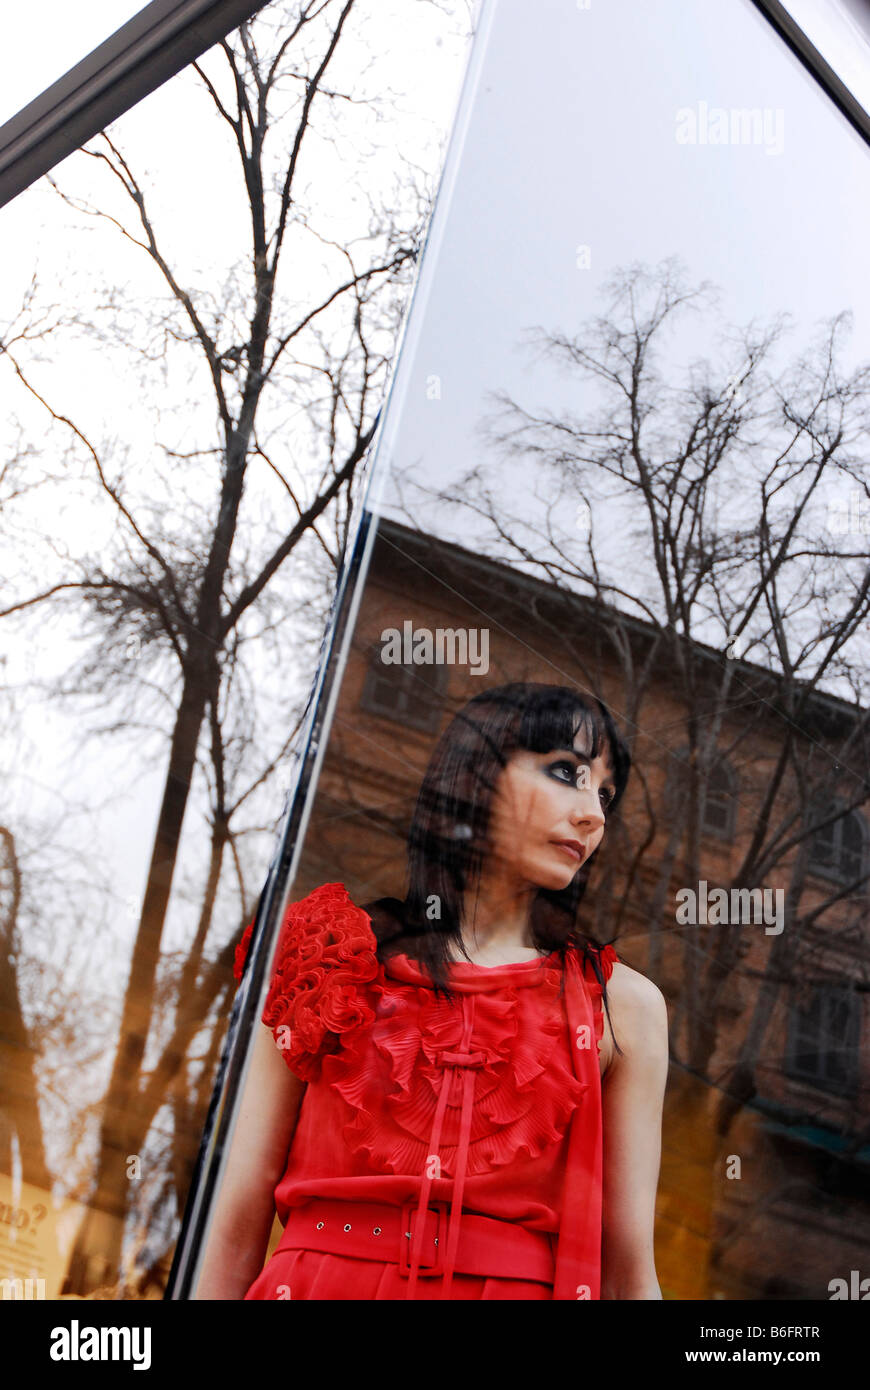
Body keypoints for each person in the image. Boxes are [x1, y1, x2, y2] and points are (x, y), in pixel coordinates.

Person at [195, 681, 669, 1300]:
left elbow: (629, 1271)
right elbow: (237, 1209)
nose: (594, 815)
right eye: (566, 773)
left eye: (605, 793)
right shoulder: (324, 956)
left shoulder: (622, 1007)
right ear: (477, 773)